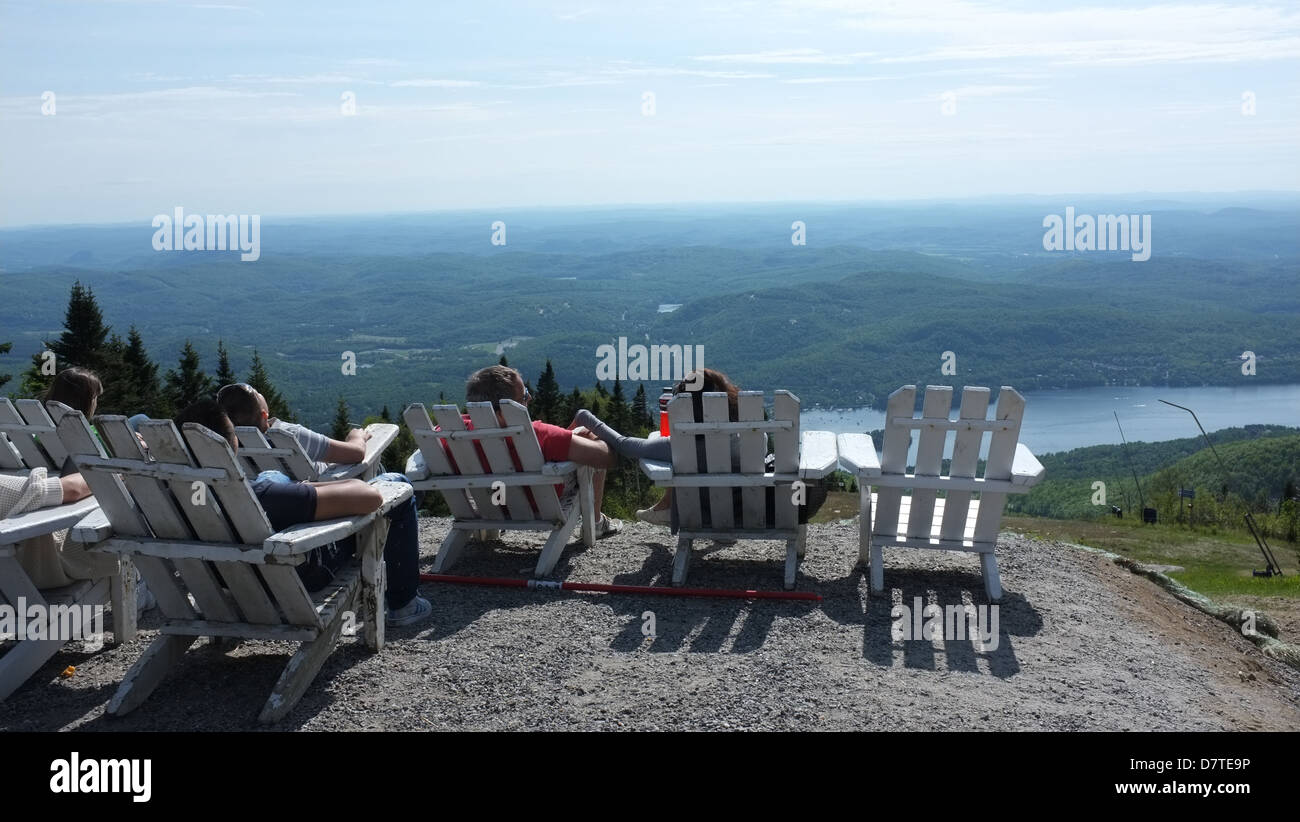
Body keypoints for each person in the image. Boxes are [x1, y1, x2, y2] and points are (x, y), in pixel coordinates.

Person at [175, 400, 431, 627]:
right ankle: (403, 604)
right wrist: (308, 492)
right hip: (292, 576)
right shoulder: (259, 496)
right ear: (231, 446)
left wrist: (300, 490)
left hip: (224, 582)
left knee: (272, 475)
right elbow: (370, 497)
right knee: (396, 482)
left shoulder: (168, 496)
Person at [449, 365, 623, 537]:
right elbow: (605, 458)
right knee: (587, 440)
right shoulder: (541, 435)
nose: (530, 397)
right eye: (524, 395)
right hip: (538, 503)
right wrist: (592, 436)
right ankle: (596, 522)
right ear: (503, 412)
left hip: (492, 502)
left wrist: (566, 436)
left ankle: (486, 527)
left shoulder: (453, 433)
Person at [8, 368, 136, 600]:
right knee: (139, 422)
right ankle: (138, 590)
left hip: (51, 480)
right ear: (87, 401)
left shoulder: (34, 434)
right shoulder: (89, 436)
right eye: (96, 397)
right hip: (76, 508)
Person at [571, 368, 742, 526]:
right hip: (742, 513)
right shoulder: (750, 439)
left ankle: (664, 509)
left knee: (678, 464)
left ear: (684, 407)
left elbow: (623, 444)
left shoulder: (681, 447)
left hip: (701, 515)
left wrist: (584, 416)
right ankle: (663, 507)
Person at [217, 383, 369, 473]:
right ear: (264, 415)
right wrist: (356, 438)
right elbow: (356, 454)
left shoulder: (222, 445)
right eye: (257, 394)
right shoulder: (288, 435)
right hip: (326, 486)